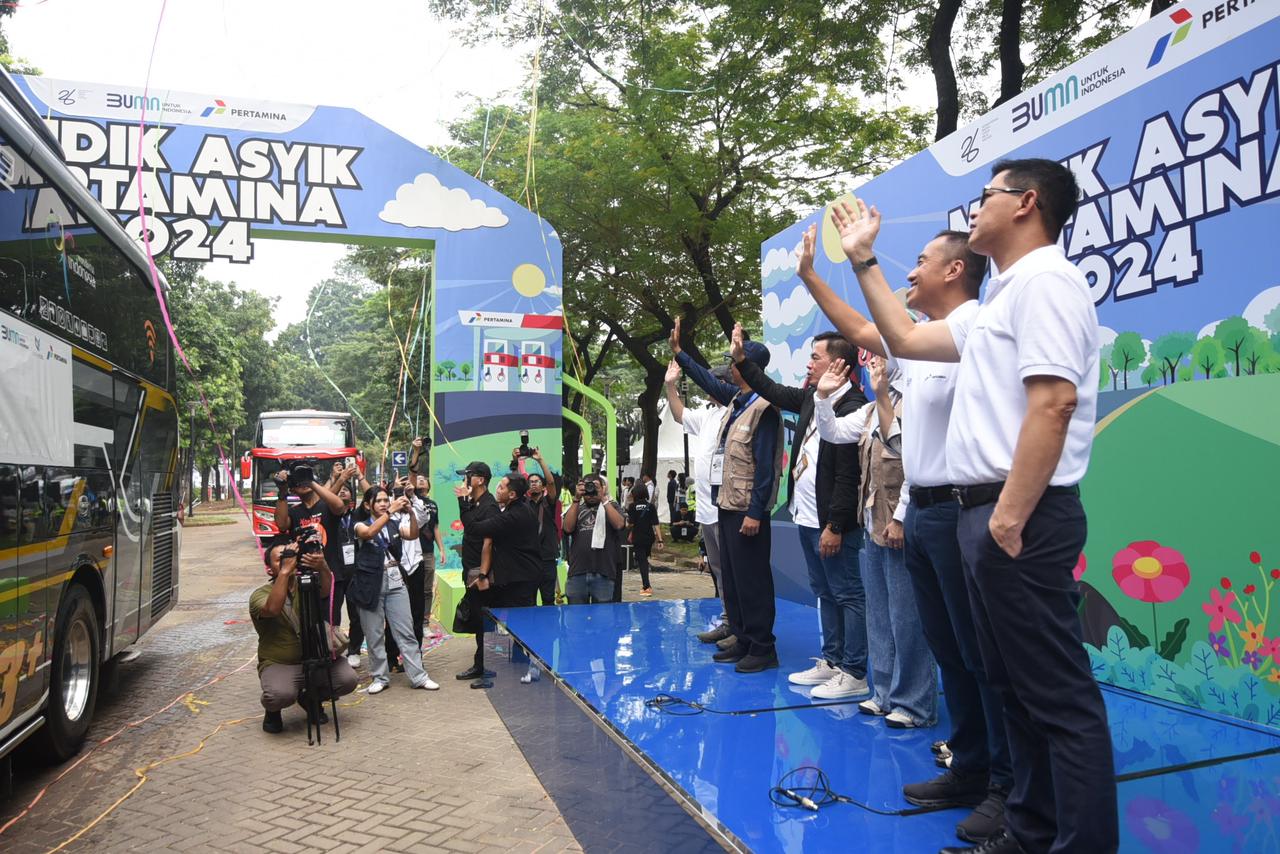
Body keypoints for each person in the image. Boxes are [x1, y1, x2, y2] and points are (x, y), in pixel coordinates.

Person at [831, 158, 1114, 854]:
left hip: (1017, 517)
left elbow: (1055, 403)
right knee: (1013, 691)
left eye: (986, 195)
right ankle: (1028, 829)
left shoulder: (1047, 281)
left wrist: (1008, 519)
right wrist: (863, 260)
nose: (976, 206)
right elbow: (900, 337)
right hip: (980, 517)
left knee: (1057, 698)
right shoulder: (1003, 300)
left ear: (1026, 204)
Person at [799, 219, 1012, 842]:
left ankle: (1005, 783)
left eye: (920, 261)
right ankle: (970, 767)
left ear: (954, 270)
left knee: (979, 655)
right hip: (923, 509)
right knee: (949, 649)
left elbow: (878, 326)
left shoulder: (978, 331)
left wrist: (862, 259)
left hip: (960, 510)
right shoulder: (921, 343)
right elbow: (867, 330)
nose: (910, 272)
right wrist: (813, 276)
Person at [727, 322, 868, 699]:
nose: (808, 365)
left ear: (838, 365)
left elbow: (848, 476)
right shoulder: (811, 399)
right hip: (806, 518)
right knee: (825, 590)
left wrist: (836, 524)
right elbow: (770, 389)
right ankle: (833, 661)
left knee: (847, 593)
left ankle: (854, 670)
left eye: (815, 358)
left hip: (831, 523)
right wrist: (742, 360)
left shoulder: (853, 406)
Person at [814, 356, 937, 728]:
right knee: (880, 617)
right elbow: (833, 432)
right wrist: (822, 399)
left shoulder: (914, 401)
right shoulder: (870, 409)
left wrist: (901, 518)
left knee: (907, 619)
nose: (873, 362)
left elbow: (915, 465)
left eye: (880, 353)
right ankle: (882, 693)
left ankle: (914, 703)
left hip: (898, 526)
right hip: (872, 525)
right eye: (869, 355)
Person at [671, 318, 784, 674]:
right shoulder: (737, 401)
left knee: (752, 580)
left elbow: (766, 467)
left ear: (746, 367)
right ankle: (743, 637)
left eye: (733, 363)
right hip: (726, 504)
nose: (727, 370)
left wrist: (755, 511)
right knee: (733, 579)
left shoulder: (763, 408)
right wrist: (680, 353)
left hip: (747, 510)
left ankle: (763, 646)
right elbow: (706, 379)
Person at [251, 538, 357, 733]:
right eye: (280, 559)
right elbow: (273, 609)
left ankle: (311, 698)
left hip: (314, 658)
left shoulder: (306, 585)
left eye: (290, 556)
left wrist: (323, 566)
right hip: (280, 663)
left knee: (347, 679)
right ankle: (272, 710)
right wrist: (284, 572)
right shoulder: (259, 595)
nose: (287, 561)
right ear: (268, 569)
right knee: (279, 695)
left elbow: (326, 590)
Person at [456, 471, 543, 687]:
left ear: (512, 494)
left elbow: (476, 529)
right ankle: (509, 669)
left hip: (521, 580)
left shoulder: (516, 514)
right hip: (512, 579)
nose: (498, 489)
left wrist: (463, 502)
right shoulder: (514, 508)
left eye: (502, 487)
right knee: (507, 627)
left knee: (520, 627)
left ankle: (528, 669)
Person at [664, 360, 731, 641]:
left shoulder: (735, 411)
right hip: (706, 509)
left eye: (711, 383)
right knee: (718, 570)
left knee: (733, 570)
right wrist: (670, 386)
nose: (706, 391)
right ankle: (729, 619)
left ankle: (740, 625)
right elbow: (680, 415)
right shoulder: (708, 414)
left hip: (727, 508)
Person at [349, 486, 438, 693]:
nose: (383, 503)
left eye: (385, 500)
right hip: (370, 584)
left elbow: (413, 534)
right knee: (374, 633)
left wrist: (411, 514)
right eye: (378, 501)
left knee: (406, 631)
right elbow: (370, 533)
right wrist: (391, 511)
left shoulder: (394, 524)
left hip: (396, 581)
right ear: (367, 505)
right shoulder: (359, 525)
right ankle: (380, 677)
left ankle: (419, 677)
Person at [271, 461, 348, 624]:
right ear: (292, 488)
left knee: (330, 626)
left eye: (305, 478)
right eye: (298, 481)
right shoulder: (294, 511)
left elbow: (339, 506)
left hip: (331, 573)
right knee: (307, 624)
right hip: (303, 576)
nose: (302, 483)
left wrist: (310, 481)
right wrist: (282, 491)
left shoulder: (326, 505)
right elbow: (281, 524)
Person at [453, 461, 500, 686]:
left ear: (480, 479)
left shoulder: (489, 506)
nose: (465, 480)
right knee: (478, 621)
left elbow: (479, 534)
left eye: (468, 476)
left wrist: (482, 575)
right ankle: (480, 665)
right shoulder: (476, 503)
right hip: (470, 571)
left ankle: (488, 670)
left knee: (486, 623)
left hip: (481, 574)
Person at [563, 474, 626, 604]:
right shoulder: (576, 507)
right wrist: (576, 499)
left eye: (595, 487)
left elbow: (619, 524)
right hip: (578, 572)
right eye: (587, 487)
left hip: (603, 572)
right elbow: (567, 528)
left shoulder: (611, 506)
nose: (591, 492)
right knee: (576, 617)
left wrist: (603, 498)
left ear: (603, 488)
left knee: (602, 619)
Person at [521, 446, 562, 606]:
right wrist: (517, 461)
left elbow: (551, 481)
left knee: (548, 600)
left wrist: (539, 460)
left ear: (543, 486)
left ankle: (548, 630)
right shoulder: (523, 504)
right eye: (530, 482)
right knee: (528, 600)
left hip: (547, 558)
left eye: (537, 482)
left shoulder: (548, 503)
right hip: (528, 559)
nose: (534, 484)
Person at [626, 483, 664, 596]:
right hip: (649, 538)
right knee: (644, 558)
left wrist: (627, 525)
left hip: (638, 537)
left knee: (641, 560)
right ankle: (646, 581)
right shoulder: (650, 506)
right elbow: (656, 524)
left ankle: (646, 586)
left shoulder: (632, 507)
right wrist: (660, 540)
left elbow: (631, 524)